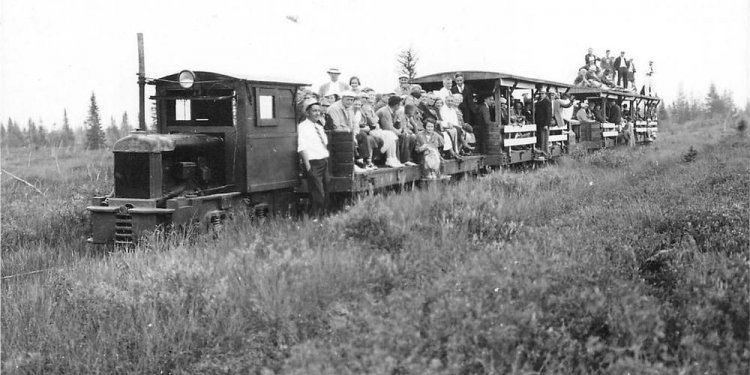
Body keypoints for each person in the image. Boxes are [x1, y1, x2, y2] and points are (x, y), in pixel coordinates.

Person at [327, 91, 378, 170]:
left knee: (362, 135)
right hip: (337, 135)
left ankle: (366, 161)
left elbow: (355, 124)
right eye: (348, 99)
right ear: (342, 99)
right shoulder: (334, 108)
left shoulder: (349, 108)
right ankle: (355, 163)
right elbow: (336, 126)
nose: (350, 102)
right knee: (349, 138)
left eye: (351, 100)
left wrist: (354, 134)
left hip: (349, 133)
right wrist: (350, 133)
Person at [297, 99, 330, 218]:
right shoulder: (302, 127)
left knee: (326, 191)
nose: (317, 113)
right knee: (318, 193)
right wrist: (308, 167)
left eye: (319, 111)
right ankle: (314, 218)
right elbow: (302, 147)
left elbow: (324, 144)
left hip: (324, 161)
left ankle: (323, 217)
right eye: (314, 111)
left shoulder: (319, 126)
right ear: (307, 113)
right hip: (313, 163)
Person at [376, 95, 411, 167]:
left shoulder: (395, 111)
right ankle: (394, 160)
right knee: (395, 137)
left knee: (407, 136)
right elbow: (387, 127)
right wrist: (399, 132)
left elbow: (397, 125)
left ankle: (405, 160)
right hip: (381, 131)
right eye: (400, 104)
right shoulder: (384, 111)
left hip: (389, 131)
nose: (400, 106)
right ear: (396, 105)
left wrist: (401, 129)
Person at [534, 92, 552, 158]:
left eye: (542, 93)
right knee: (540, 139)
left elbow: (549, 114)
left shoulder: (547, 102)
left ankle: (545, 154)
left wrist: (546, 124)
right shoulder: (539, 102)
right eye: (540, 93)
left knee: (544, 139)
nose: (541, 95)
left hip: (544, 124)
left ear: (545, 94)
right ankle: (542, 153)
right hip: (538, 123)